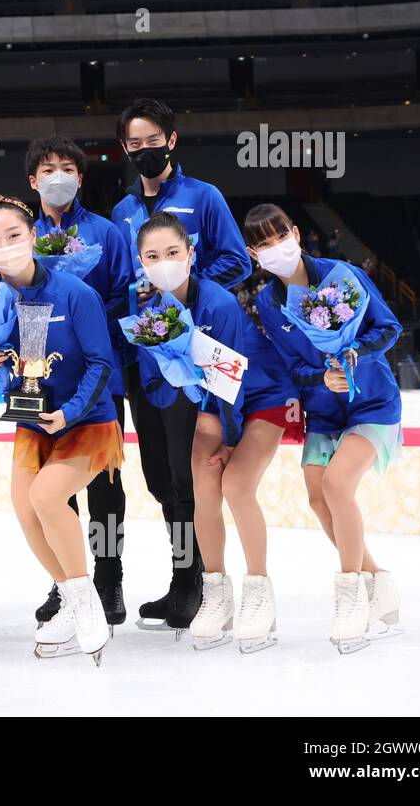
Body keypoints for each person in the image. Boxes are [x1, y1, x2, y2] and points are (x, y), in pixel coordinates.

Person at [109, 98, 251, 634]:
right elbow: (122, 281)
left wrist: (182, 285)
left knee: (193, 475)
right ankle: (182, 576)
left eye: (152, 141)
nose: (143, 150)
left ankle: (201, 584)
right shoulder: (122, 212)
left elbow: (237, 260)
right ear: (125, 149)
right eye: (133, 143)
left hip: (193, 362)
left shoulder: (204, 197)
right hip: (144, 364)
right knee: (161, 476)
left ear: (170, 140)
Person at [131, 213, 300, 653]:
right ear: (141, 263)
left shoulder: (219, 303)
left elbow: (233, 380)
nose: (164, 262)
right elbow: (153, 386)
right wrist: (180, 382)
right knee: (202, 481)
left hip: (259, 399)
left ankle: (260, 591)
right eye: (153, 256)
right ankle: (216, 590)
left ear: (190, 254)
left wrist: (224, 438)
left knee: (236, 484)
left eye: (172, 252)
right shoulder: (151, 317)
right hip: (213, 405)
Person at [245, 203, 404, 653]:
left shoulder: (341, 275)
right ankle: (378, 578)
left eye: (280, 236)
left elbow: (389, 328)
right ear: (254, 255)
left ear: (295, 233)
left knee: (337, 484)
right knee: (317, 497)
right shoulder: (267, 302)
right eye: (263, 244)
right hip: (324, 412)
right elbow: (294, 367)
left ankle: (351, 591)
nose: (276, 248)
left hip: (372, 402)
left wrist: (354, 355)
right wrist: (321, 378)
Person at [0, 196, 123, 663]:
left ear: (32, 236)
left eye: (13, 236)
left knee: (46, 497)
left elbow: (102, 363)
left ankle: (84, 601)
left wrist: (71, 412)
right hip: (34, 420)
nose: (3, 246)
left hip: (86, 419)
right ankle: (75, 600)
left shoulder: (75, 293)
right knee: (24, 507)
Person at [25, 136, 135, 632]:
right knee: (52, 490)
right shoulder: (21, 234)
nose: (57, 175)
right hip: (42, 381)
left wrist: (78, 307)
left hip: (97, 376)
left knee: (105, 490)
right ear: (32, 180)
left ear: (81, 177)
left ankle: (108, 578)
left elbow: (122, 296)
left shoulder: (106, 233)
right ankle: (67, 581)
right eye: (47, 169)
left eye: (66, 168)